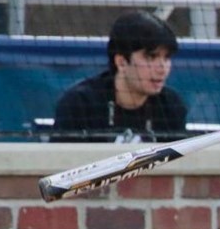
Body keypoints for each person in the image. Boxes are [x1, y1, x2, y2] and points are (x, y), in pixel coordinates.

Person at [51, 10, 187, 143]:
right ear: (121, 62)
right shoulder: (80, 104)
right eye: (151, 57)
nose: (162, 68)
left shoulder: (170, 106)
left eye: (167, 58)